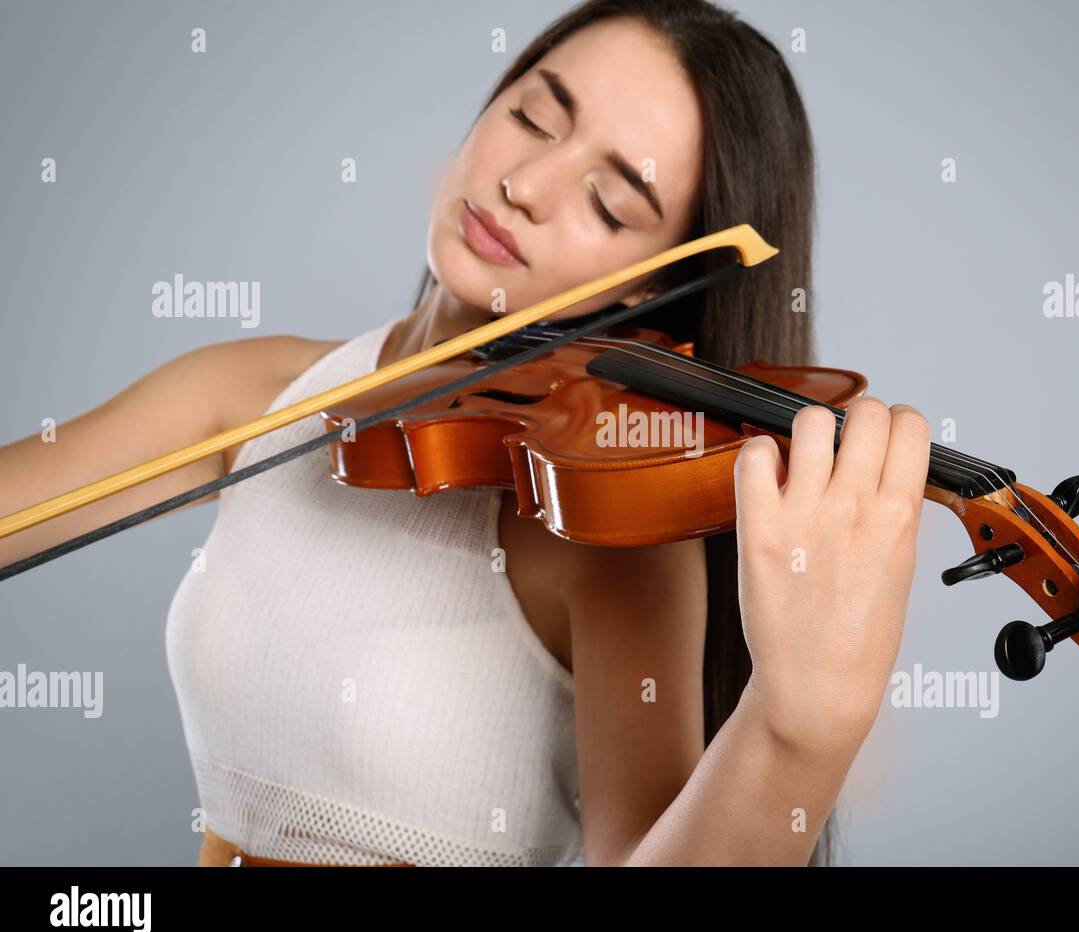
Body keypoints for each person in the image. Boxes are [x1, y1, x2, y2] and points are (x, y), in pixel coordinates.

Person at [0, 0, 928, 866]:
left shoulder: (606, 534)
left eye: (611, 204)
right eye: (533, 117)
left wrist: (794, 731)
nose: (522, 185)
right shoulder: (254, 390)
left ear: (658, 282)